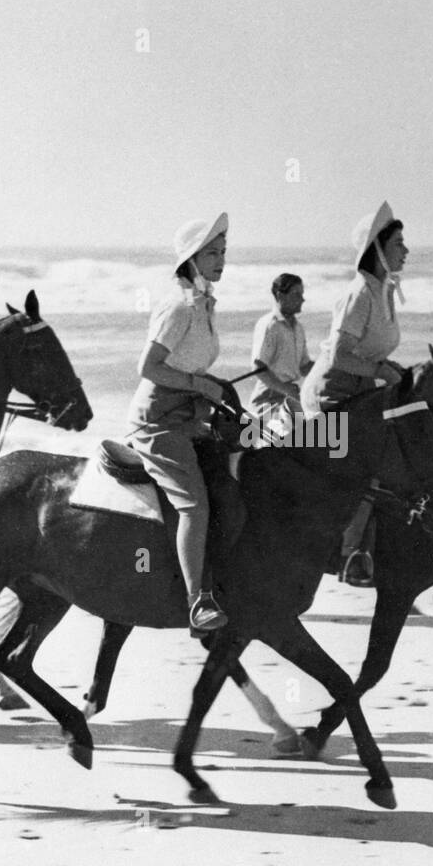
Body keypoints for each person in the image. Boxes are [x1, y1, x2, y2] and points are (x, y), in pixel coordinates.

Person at [128, 213, 233, 631]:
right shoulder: (178, 305)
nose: (221, 260)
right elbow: (148, 367)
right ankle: (196, 602)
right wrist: (198, 384)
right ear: (191, 258)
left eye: (223, 252)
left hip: (190, 416)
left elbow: (189, 364)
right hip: (158, 423)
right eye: (212, 253)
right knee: (195, 505)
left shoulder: (203, 302)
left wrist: (210, 386)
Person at [301, 201, 408, 586]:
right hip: (330, 394)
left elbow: (370, 351)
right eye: (398, 243)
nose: (406, 251)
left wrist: (389, 372)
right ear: (377, 250)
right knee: (366, 466)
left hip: (362, 391)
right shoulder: (360, 293)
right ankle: (348, 555)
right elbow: (340, 354)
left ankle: (373, 550)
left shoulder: (384, 292)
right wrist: (381, 371)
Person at [248, 272, 313, 440]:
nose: (302, 299)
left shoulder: (298, 327)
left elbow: (305, 366)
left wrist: (328, 369)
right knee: (297, 441)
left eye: (302, 294)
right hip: (268, 402)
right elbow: (258, 368)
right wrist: (285, 389)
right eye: (296, 294)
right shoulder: (270, 325)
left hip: (291, 399)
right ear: (279, 295)